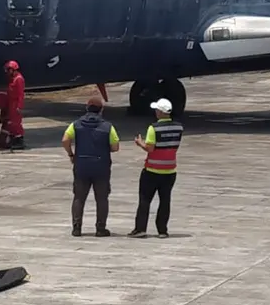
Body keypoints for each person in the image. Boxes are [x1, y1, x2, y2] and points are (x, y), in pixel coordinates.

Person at [61, 96, 119, 237]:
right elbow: (115, 147)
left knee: (79, 197)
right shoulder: (108, 127)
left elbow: (65, 140)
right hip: (101, 166)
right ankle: (100, 228)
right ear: (101, 110)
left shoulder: (76, 124)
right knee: (102, 198)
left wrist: (71, 154)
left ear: (87, 108)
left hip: (81, 165)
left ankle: (76, 228)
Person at [130, 98, 182, 239]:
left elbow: (150, 148)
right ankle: (162, 230)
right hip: (170, 170)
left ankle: (140, 229)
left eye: (157, 110)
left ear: (160, 112)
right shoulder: (179, 128)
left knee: (145, 200)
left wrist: (140, 143)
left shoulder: (154, 128)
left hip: (152, 170)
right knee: (165, 201)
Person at [0, 60, 26, 151]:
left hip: (15, 103)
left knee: (16, 122)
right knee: (11, 122)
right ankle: (13, 139)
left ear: (13, 69)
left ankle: (19, 141)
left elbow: (20, 94)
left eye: (9, 70)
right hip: (11, 103)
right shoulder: (13, 79)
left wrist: (19, 106)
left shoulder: (19, 79)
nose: (7, 72)